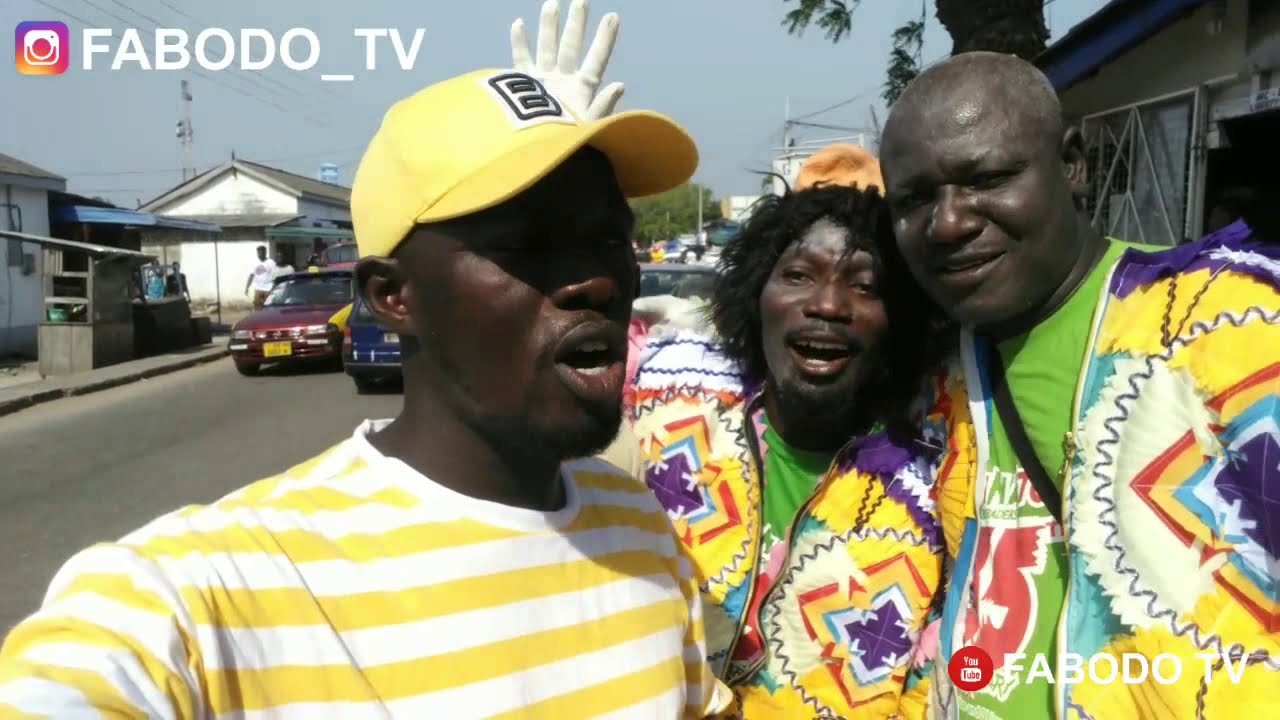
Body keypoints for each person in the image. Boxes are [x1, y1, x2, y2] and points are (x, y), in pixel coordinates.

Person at [0, 6, 737, 718]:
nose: (599, 280)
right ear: (392, 296)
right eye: (526, 248)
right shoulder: (203, 591)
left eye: (609, 239)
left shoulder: (641, 527)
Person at [879, 51, 1280, 719]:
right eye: (914, 200)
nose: (947, 223)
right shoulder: (935, 380)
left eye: (987, 178)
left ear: (1072, 163)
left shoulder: (1231, 324)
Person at [623, 143, 955, 718]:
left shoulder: (940, 476)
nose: (828, 303)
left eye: (866, 285)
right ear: (757, 296)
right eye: (798, 275)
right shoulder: (668, 393)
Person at [244, 244, 276, 309]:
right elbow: (251, 275)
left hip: (268, 289)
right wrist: (247, 287)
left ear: (265, 252)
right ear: (257, 253)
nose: (260, 254)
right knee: (257, 307)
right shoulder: (254, 262)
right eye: (259, 252)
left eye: (262, 252)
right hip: (258, 289)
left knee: (268, 308)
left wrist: (273, 288)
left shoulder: (271, 262)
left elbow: (274, 276)